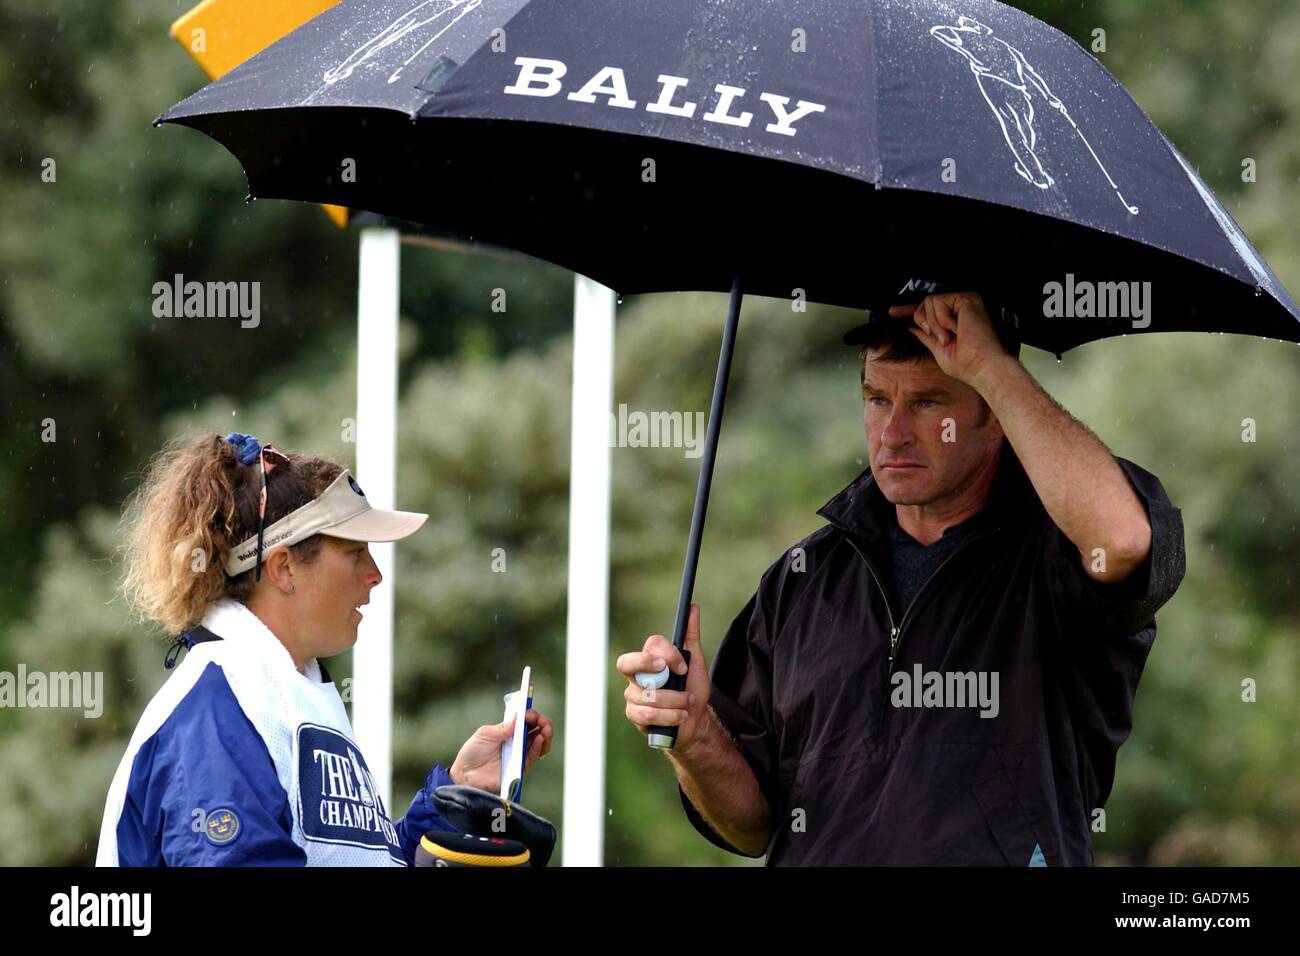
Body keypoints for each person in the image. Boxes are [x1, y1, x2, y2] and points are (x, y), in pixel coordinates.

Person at [617, 289, 1185, 865]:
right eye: (876, 398)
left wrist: (991, 365)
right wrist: (694, 735)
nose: (892, 434)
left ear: (995, 418)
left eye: (927, 403)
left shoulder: (1057, 557)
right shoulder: (801, 580)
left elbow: (1124, 543)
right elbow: (753, 827)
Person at [97, 432, 553, 866]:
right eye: (356, 553)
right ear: (284, 568)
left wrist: (456, 794)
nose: (375, 574)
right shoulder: (220, 707)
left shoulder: (288, 686)